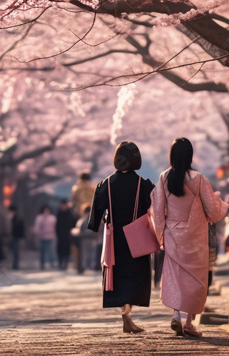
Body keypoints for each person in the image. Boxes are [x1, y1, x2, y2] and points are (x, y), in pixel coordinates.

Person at [151, 138, 229, 337]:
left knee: (175, 277)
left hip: (172, 234)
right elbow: (212, 208)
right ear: (190, 155)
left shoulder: (163, 177)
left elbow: (158, 210)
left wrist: (159, 235)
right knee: (196, 279)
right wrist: (219, 201)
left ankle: (176, 314)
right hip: (195, 235)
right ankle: (189, 323)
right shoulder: (199, 178)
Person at [87, 141, 155, 334]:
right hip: (137, 238)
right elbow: (155, 209)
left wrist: (96, 224)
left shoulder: (105, 185)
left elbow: (95, 218)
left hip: (114, 240)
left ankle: (125, 313)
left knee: (116, 277)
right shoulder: (144, 185)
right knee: (135, 276)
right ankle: (127, 312)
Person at [55, 200, 75, 271]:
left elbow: (73, 223)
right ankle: (60, 264)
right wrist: (57, 233)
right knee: (60, 250)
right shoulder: (59, 213)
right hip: (60, 235)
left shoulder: (70, 213)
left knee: (67, 250)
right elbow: (57, 225)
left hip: (68, 235)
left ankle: (66, 264)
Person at [8, 205, 26, 270]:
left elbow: (21, 228)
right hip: (9, 237)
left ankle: (15, 264)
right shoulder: (8, 217)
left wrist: (22, 236)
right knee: (11, 252)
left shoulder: (18, 218)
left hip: (16, 237)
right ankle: (11, 264)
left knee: (15, 251)